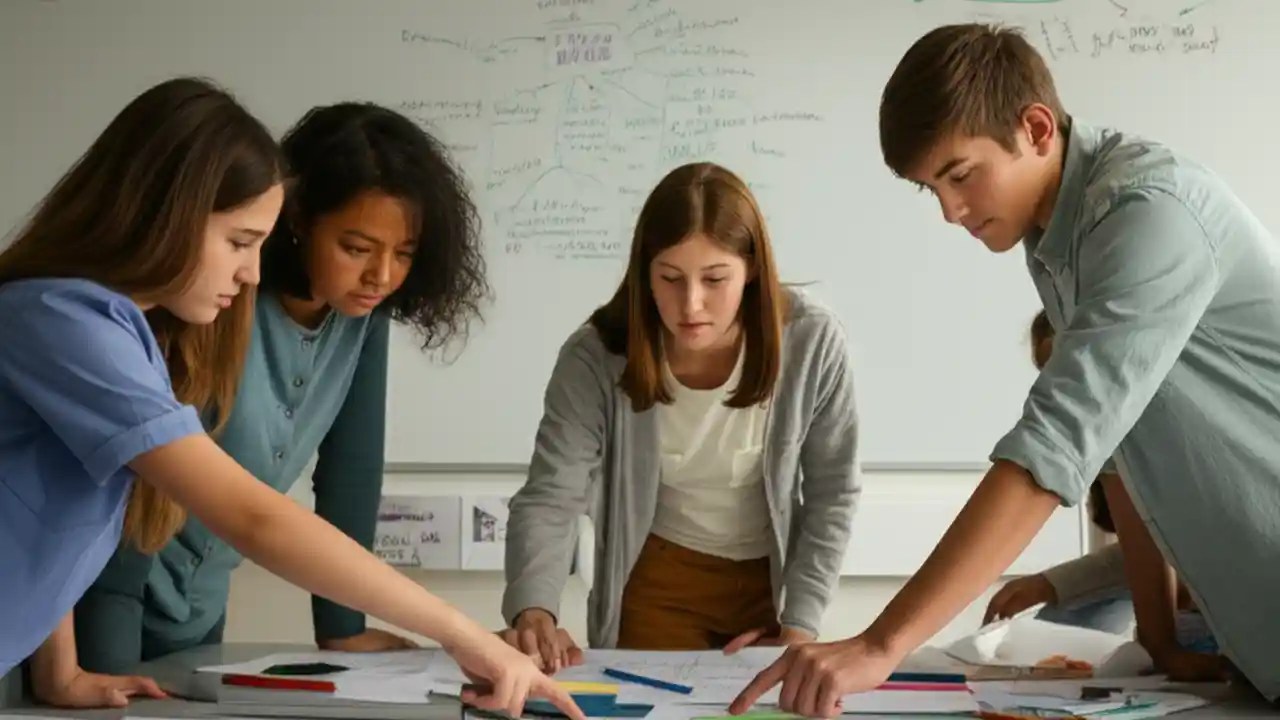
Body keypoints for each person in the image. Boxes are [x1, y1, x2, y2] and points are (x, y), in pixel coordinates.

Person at [730, 23, 1280, 717]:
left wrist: (881, 643)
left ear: (1036, 128)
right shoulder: (1055, 237)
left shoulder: (1146, 214)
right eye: (932, 189)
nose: (953, 211)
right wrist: (1160, 640)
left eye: (961, 176)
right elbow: (1122, 451)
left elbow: (1054, 447)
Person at [0, 76, 580, 720]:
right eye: (241, 243)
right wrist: (469, 638)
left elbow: (52, 515)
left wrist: (60, 671)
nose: (251, 271)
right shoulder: (64, 319)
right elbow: (253, 517)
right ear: (170, 213)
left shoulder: (100, 321)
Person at [67, 100, 490, 691]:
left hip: (199, 607)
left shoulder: (361, 317)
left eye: (405, 253)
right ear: (297, 220)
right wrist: (105, 673)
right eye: (357, 247)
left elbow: (351, 470)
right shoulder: (211, 295)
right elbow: (138, 494)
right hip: (103, 597)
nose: (383, 276)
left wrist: (342, 627)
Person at [501, 162, 859, 669]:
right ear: (645, 271)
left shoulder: (812, 341)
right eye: (670, 278)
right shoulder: (596, 355)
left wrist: (799, 625)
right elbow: (552, 494)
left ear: (752, 268)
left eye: (715, 279)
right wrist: (533, 609)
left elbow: (832, 492)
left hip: (773, 583)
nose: (691, 304)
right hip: (658, 580)